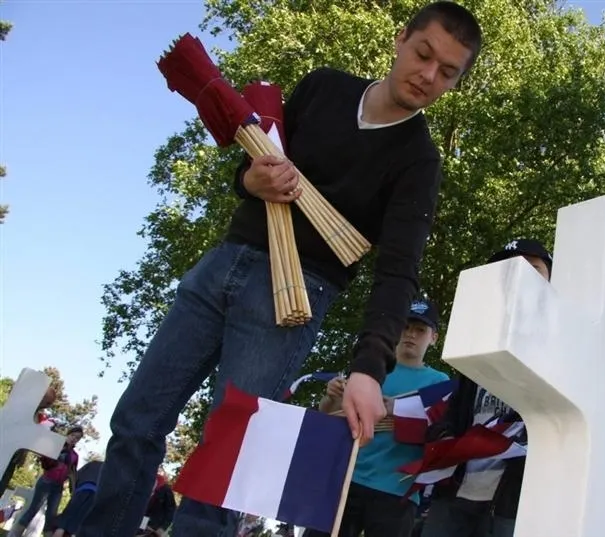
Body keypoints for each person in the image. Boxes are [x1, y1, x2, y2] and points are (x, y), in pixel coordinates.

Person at [79, 3, 482, 536]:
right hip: (224, 263)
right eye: (423, 54)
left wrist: (369, 367)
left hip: (294, 297)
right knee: (135, 422)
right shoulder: (323, 87)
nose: (428, 75)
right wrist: (250, 183)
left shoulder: (419, 161)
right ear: (401, 38)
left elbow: (398, 271)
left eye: (447, 72)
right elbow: (253, 167)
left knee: (226, 458)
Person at [420, 239, 552, 537]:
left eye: (532, 268)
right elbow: (453, 414)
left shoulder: (559, 348)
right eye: (508, 268)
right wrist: (444, 435)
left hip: (512, 504)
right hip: (453, 497)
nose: (519, 275)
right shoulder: (476, 345)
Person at [305, 298, 449, 537]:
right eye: (405, 327)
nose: (411, 334)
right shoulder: (370, 369)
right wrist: (331, 396)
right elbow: (330, 417)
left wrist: (400, 409)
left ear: (434, 337)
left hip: (398, 491)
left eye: (420, 330)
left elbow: (440, 433)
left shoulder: (440, 383)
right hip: (345, 480)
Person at [9, 426, 84, 537]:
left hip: (58, 487)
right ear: (68, 434)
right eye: (72, 435)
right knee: (33, 509)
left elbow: (72, 473)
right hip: (46, 481)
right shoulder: (57, 447)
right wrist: (60, 451)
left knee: (52, 515)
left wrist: (72, 489)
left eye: (77, 438)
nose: (74, 439)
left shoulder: (74, 456)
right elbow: (44, 462)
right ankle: (14, 534)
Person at [51, 459, 103, 537]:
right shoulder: (108, 469)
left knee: (64, 521)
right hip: (95, 496)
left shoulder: (92, 464)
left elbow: (75, 477)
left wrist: (73, 491)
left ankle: (59, 531)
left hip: (81, 491)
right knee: (78, 525)